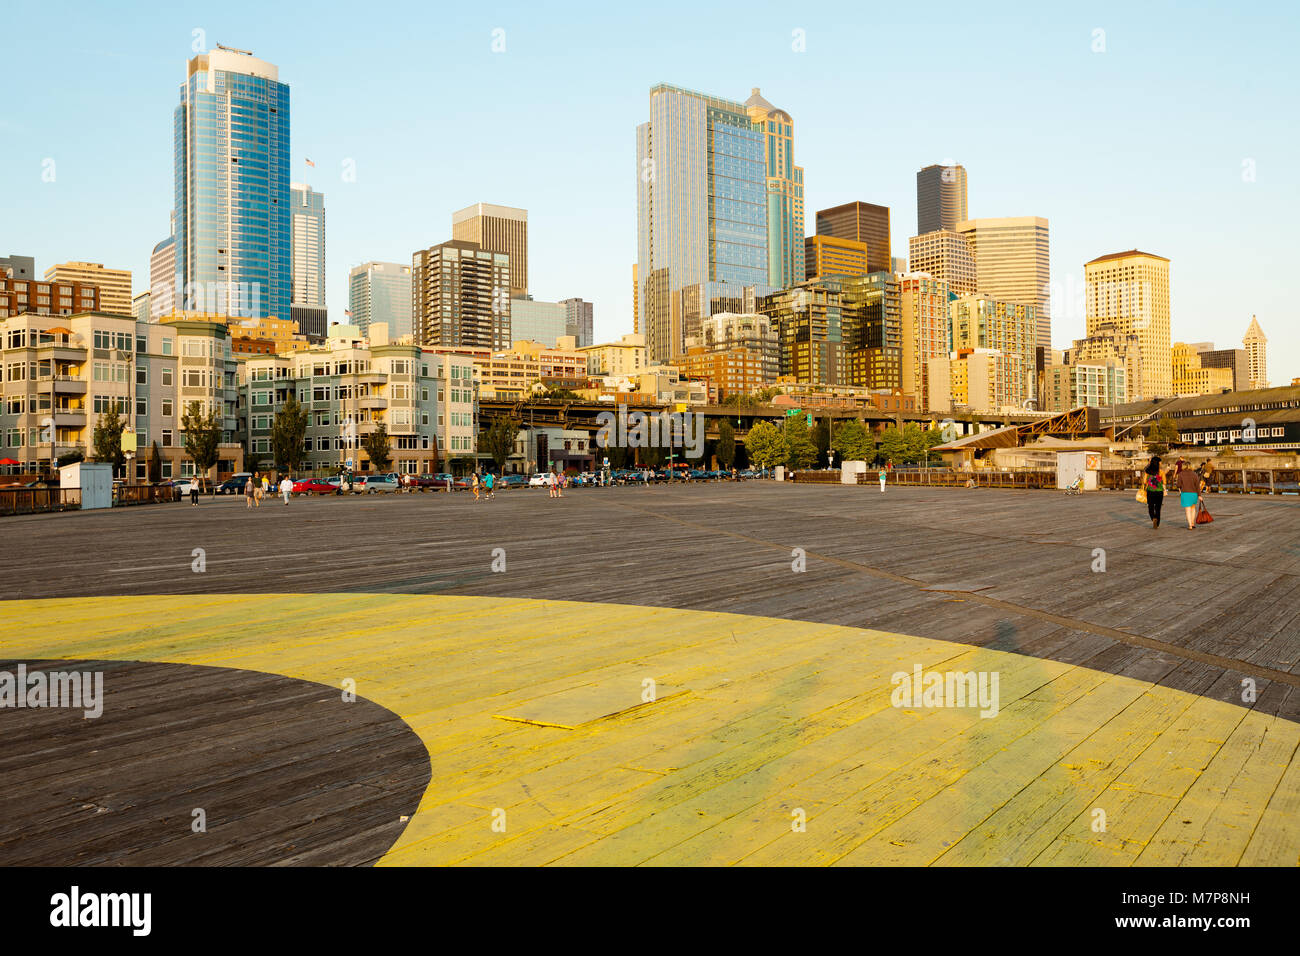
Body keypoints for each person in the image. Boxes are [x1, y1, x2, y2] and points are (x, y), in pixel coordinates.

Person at [1174, 458, 1201, 529]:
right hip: (1194, 494)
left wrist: (1181, 486)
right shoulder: (1195, 474)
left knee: (1187, 510)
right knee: (1193, 508)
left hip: (1185, 494)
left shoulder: (1180, 474)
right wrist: (1199, 495)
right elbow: (1197, 486)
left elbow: (1178, 485)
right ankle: (1192, 523)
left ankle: (1190, 525)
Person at [1142, 455, 1165, 529]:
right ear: (1157, 463)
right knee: (1158, 508)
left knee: (1150, 507)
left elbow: (1144, 481)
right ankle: (1157, 522)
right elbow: (1164, 482)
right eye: (1160, 462)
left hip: (1150, 491)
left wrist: (1150, 481)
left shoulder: (1147, 471)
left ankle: (1153, 518)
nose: (1161, 464)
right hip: (1159, 492)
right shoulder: (1161, 472)